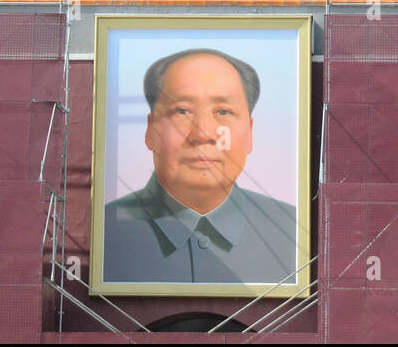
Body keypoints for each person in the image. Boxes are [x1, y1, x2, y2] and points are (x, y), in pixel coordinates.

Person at [104, 48, 298, 285]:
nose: (203, 134)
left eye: (223, 112)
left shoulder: (291, 231)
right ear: (151, 130)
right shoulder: (105, 232)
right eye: (182, 111)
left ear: (249, 133)